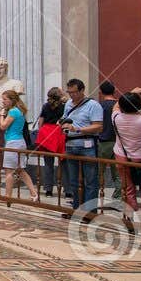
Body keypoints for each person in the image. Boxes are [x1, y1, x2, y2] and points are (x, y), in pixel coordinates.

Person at [60, 78, 104, 212]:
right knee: (73, 180)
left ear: (82, 90)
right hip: (70, 144)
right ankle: (77, 209)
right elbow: (65, 118)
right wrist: (62, 124)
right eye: (69, 92)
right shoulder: (68, 104)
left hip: (87, 145)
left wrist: (77, 129)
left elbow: (98, 126)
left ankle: (90, 212)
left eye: (74, 92)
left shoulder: (93, 105)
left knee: (90, 180)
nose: (72, 95)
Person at [112, 92, 141, 224]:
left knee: (127, 188)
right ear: (139, 105)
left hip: (122, 156)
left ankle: (131, 218)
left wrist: (132, 91)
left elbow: (115, 107)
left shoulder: (116, 118)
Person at [0, 90, 36, 197]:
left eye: (5, 99)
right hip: (20, 141)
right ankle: (34, 193)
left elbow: (3, 126)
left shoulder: (13, 111)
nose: (3, 101)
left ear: (12, 100)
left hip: (13, 142)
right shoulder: (20, 111)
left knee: (9, 171)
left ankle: (8, 196)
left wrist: (1, 115)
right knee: (20, 170)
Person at [33, 88, 67, 198]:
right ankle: (68, 190)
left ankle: (48, 190)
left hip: (46, 132)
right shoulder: (64, 106)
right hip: (59, 132)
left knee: (48, 164)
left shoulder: (46, 106)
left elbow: (41, 121)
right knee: (64, 163)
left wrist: (40, 132)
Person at [96, 81, 120, 203]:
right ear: (114, 90)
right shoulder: (119, 105)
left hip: (102, 142)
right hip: (117, 142)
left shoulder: (98, 106)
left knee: (99, 171)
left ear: (101, 91)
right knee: (118, 173)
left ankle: (96, 194)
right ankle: (118, 196)